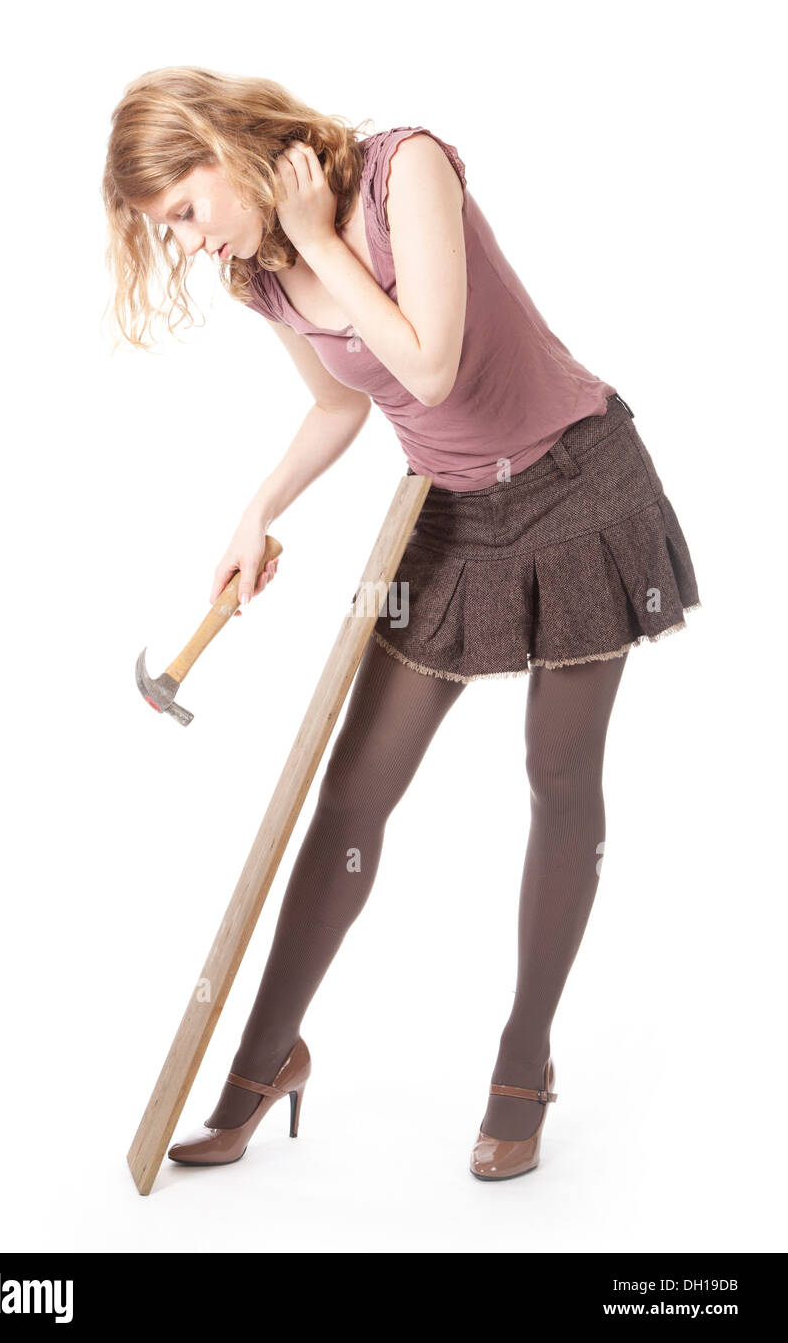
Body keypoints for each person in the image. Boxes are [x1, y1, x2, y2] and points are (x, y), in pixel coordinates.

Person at [102, 66, 701, 1181]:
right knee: (352, 789)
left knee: (555, 776)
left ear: (223, 150)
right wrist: (258, 510)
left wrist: (315, 235)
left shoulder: (399, 171)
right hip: (440, 523)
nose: (185, 243)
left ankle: (523, 1063)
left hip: (580, 490)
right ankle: (262, 1064)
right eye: (164, 231)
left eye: (183, 212)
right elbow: (344, 400)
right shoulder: (265, 275)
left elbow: (423, 360)